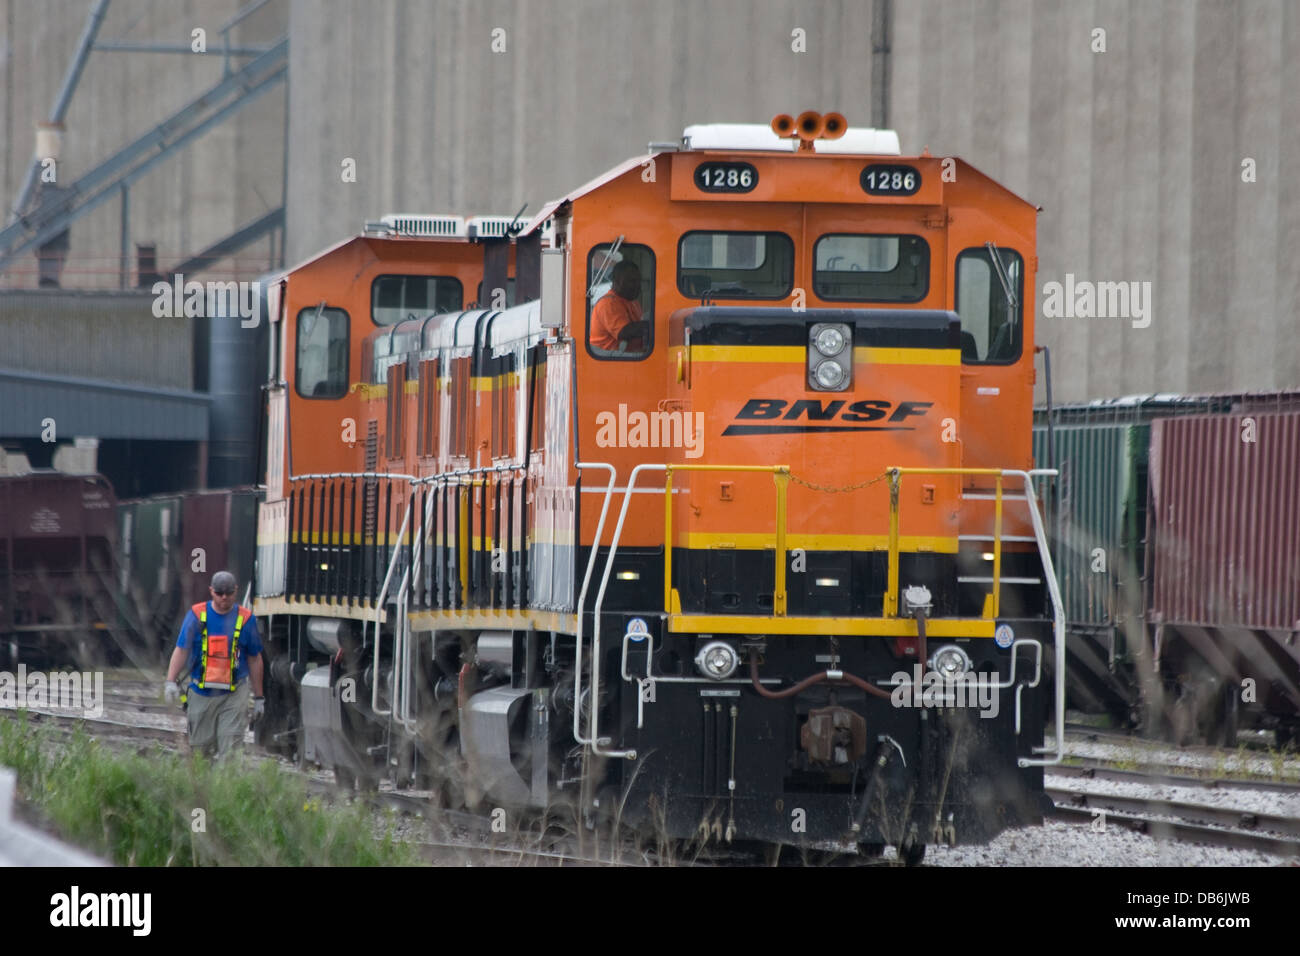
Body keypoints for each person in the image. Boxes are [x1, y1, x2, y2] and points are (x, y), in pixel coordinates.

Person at [163, 570, 265, 758]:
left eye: (228, 593)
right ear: (211, 591)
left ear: (236, 591)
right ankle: (205, 787)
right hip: (201, 694)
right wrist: (170, 682)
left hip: (234, 695)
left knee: (231, 751)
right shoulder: (196, 615)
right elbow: (181, 650)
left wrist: (259, 697)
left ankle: (228, 786)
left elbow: (254, 658)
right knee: (200, 752)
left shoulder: (247, 619)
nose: (224, 597)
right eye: (219, 593)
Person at [590, 260, 650, 352]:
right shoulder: (608, 303)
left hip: (626, 356)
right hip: (607, 359)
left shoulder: (633, 302)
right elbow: (624, 332)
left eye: (638, 281)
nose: (636, 285)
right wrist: (653, 325)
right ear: (616, 281)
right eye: (631, 281)